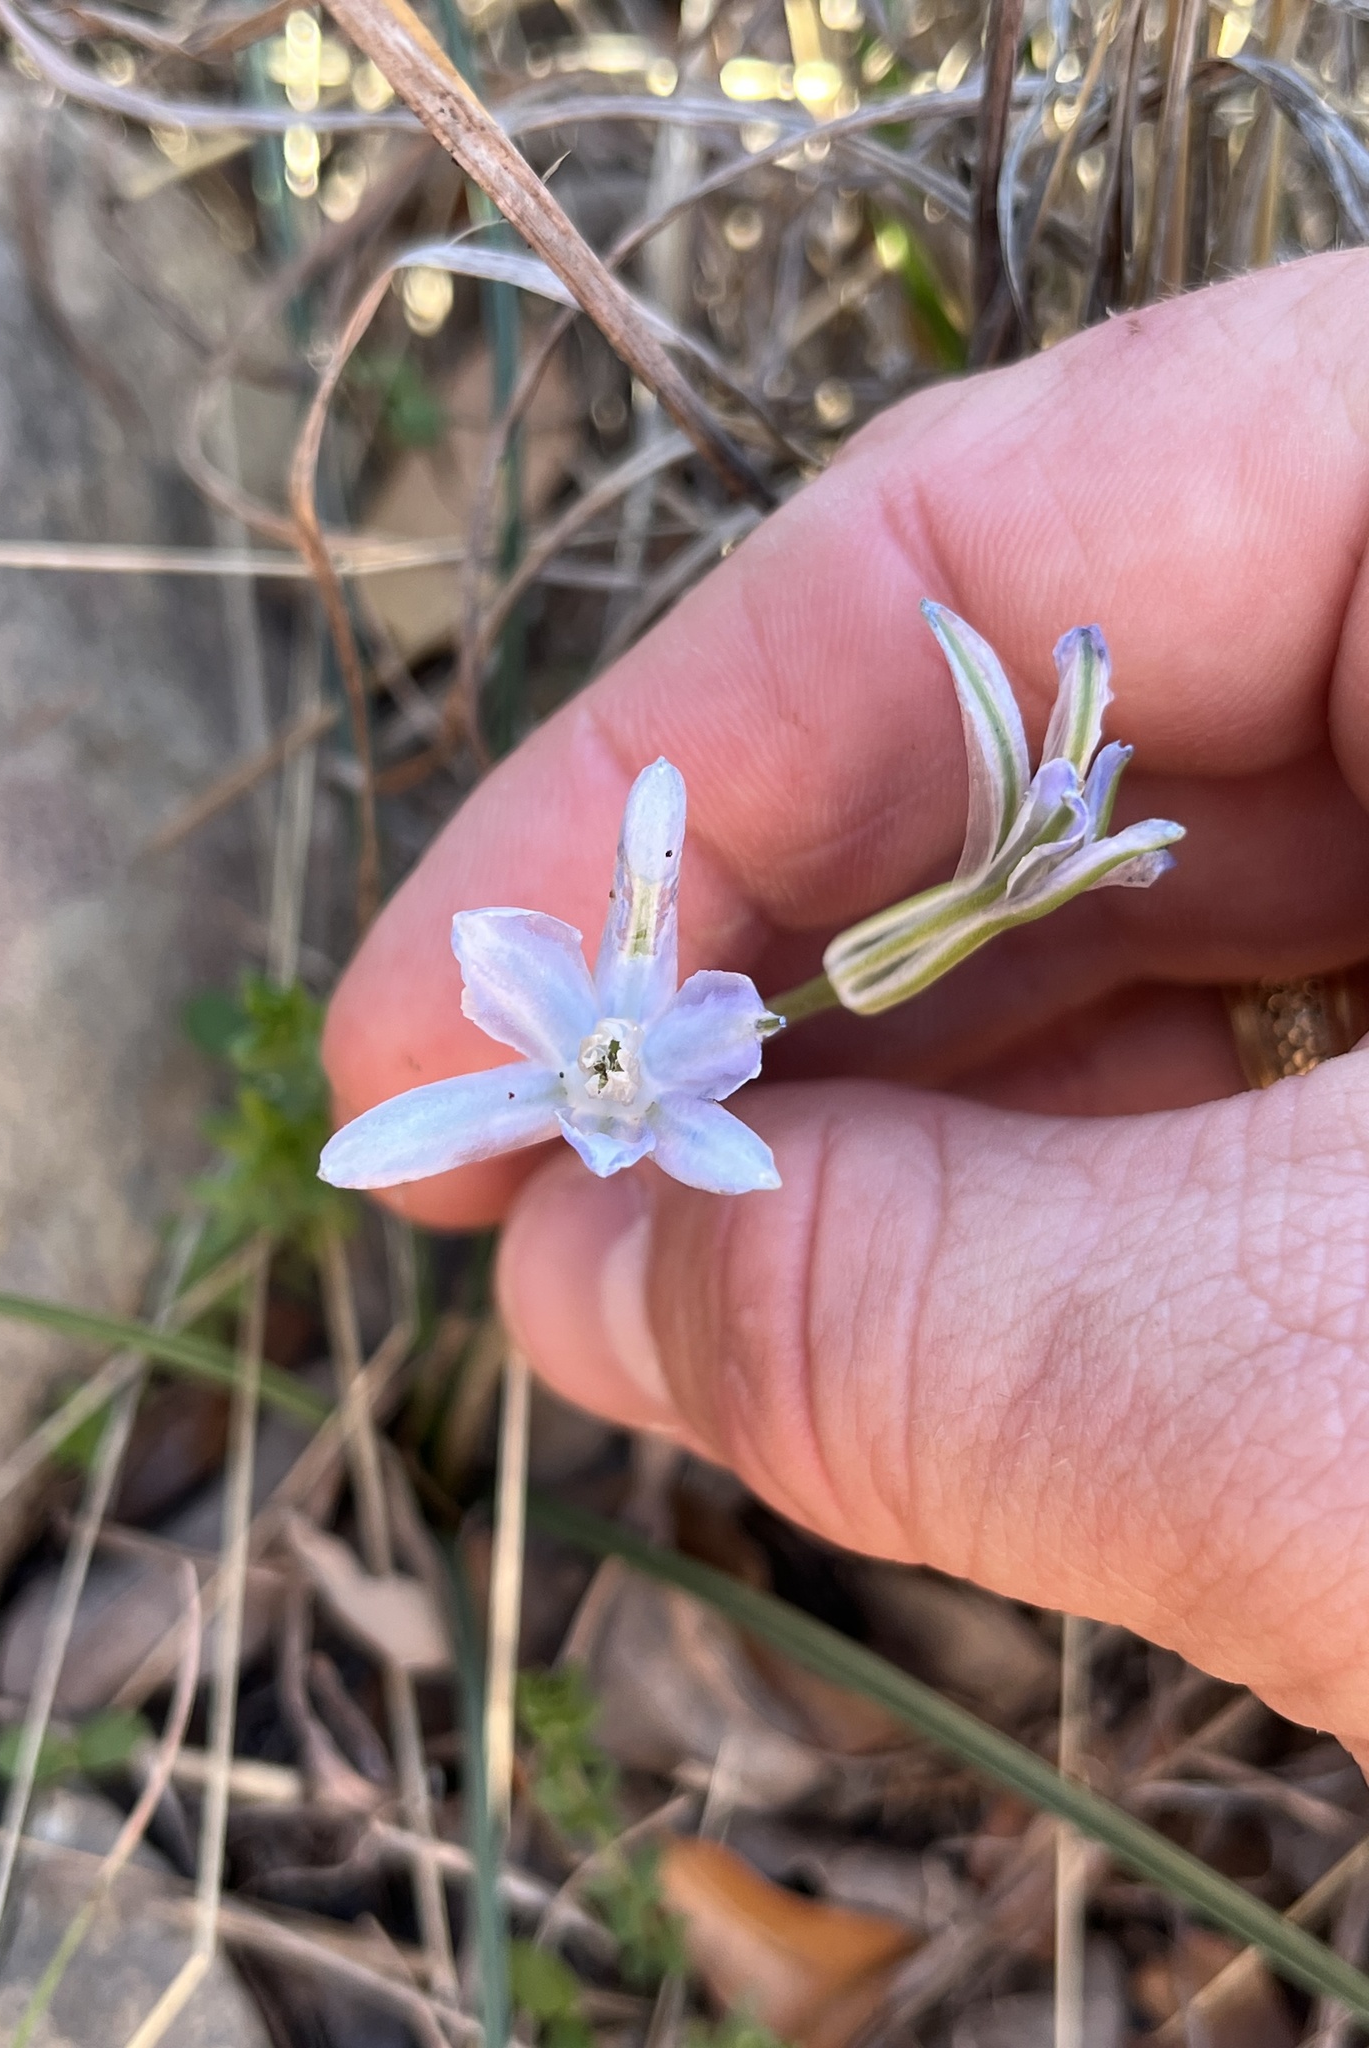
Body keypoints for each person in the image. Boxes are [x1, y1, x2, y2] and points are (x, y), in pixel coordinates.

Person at [324, 249, 1369, 1762]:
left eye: (615, 1055)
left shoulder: (689, 1080)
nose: (608, 1066)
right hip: (559, 1122)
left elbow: (725, 1095)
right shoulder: (568, 1029)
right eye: (601, 1054)